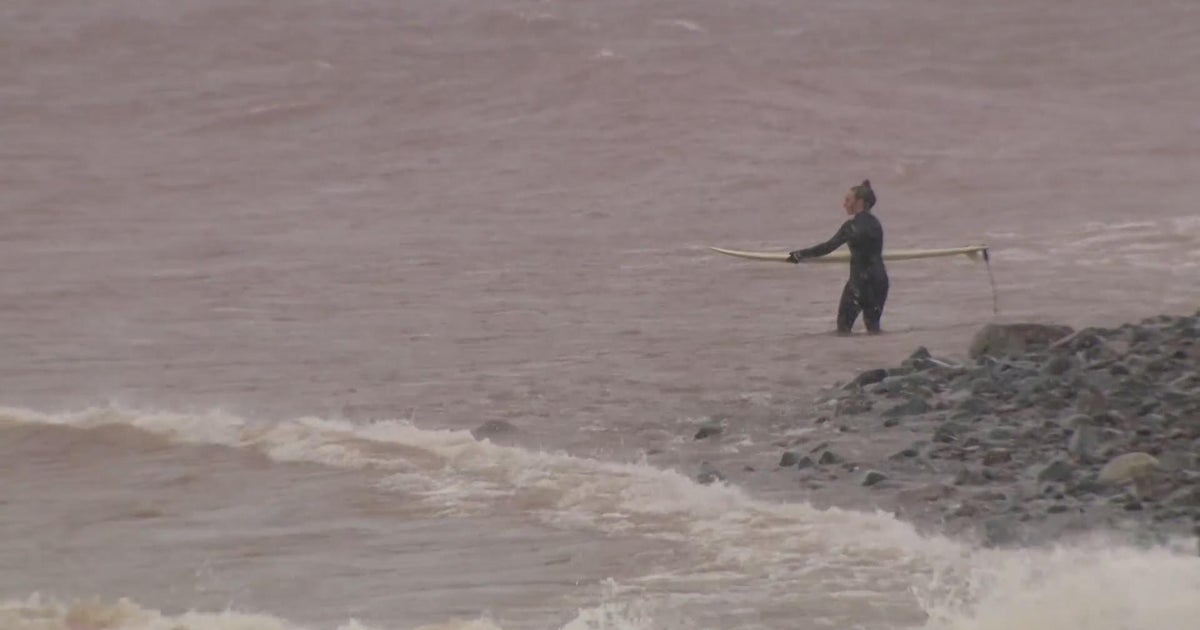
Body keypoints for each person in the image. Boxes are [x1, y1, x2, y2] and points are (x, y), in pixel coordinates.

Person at [786, 180, 889, 335]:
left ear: (859, 202)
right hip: (880, 283)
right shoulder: (876, 224)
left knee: (843, 331)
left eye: (848, 200)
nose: (844, 204)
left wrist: (799, 255)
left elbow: (827, 247)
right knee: (873, 330)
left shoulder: (851, 227)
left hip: (860, 284)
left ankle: (850, 359)